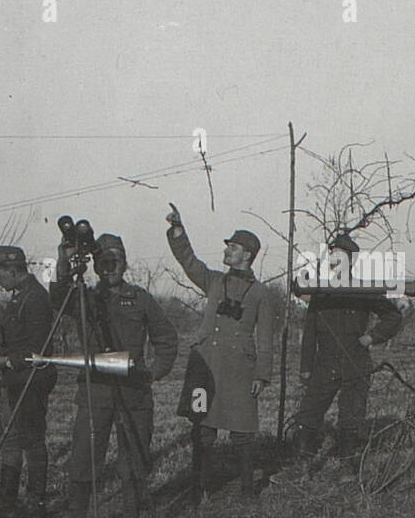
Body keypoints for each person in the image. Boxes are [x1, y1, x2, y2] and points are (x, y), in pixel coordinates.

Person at [51, 231, 178, 518]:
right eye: (102, 262)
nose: (109, 267)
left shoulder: (140, 298)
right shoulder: (86, 298)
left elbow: (166, 338)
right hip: (96, 393)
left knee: (133, 463)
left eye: (115, 261)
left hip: (134, 392)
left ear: (125, 263)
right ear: (94, 266)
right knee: (83, 462)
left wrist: (153, 372)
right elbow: (58, 297)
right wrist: (64, 259)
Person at [166, 203, 276, 497]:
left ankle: (246, 489)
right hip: (206, 367)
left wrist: (262, 375)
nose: (227, 250)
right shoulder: (214, 280)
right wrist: (179, 231)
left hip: (240, 371)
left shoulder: (261, 294)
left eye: (234, 247)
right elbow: (189, 262)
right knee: (202, 429)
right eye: (228, 246)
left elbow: (265, 338)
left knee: (242, 432)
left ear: (248, 255)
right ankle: (200, 486)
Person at [291, 233, 403, 467]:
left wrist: (371, 337)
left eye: (339, 254)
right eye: (331, 253)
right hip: (325, 362)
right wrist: (305, 368)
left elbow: (392, 316)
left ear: (351, 260)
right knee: (308, 414)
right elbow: (310, 333)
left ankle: (348, 467)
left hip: (355, 360)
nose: (333, 257)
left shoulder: (362, 289)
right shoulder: (321, 291)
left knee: (351, 416)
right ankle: (302, 466)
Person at [0, 245, 57, 518]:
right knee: (11, 439)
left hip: (32, 382)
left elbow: (38, 349)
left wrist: (5, 361)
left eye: (0, 274)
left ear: (13, 270)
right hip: (15, 380)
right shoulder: (19, 297)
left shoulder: (36, 298)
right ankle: (6, 504)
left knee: (32, 441)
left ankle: (35, 503)